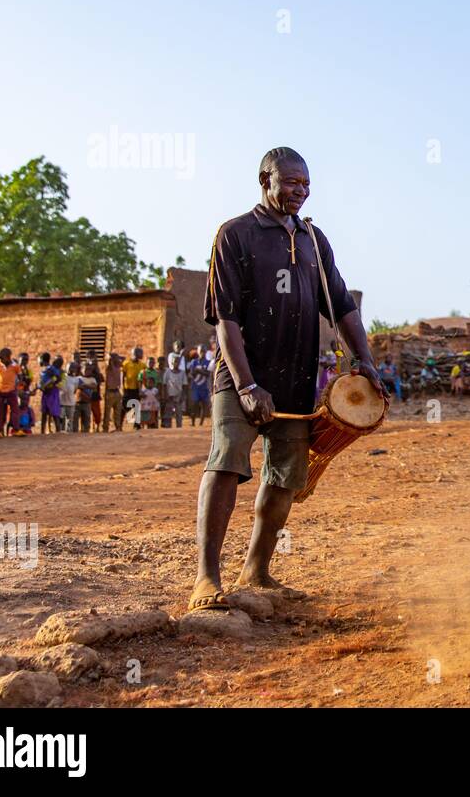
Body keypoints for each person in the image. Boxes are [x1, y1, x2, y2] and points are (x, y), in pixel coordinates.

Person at [190, 146, 386, 613]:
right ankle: (205, 578)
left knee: (284, 477)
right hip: (241, 378)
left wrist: (366, 360)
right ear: (266, 180)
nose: (301, 191)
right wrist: (246, 386)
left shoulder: (315, 240)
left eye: (306, 184)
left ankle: (257, 571)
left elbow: (341, 306)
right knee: (225, 464)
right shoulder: (234, 235)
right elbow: (226, 319)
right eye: (292, 182)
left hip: (298, 381)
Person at [0, 348, 21, 436]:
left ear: (8, 357)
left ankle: (15, 430)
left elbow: (20, 378)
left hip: (11, 391)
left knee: (15, 410)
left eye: (2, 358)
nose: (0, 360)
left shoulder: (15, 366)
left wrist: (17, 387)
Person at [37, 353, 63, 434]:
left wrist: (51, 385)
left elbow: (58, 378)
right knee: (44, 412)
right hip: (45, 393)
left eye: (38, 359)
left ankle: (58, 431)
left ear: (42, 359)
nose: (38, 361)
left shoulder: (51, 369)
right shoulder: (44, 370)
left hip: (52, 393)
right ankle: (42, 432)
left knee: (54, 412)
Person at [122, 347, 147, 430]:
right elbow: (123, 376)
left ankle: (137, 425)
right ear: (135, 354)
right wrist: (122, 387)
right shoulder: (126, 363)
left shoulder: (142, 365)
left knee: (137, 407)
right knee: (124, 407)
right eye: (141, 353)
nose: (142, 355)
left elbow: (144, 377)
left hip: (137, 389)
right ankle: (119, 424)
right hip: (128, 388)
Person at [188, 348, 213, 425]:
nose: (202, 353)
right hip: (195, 386)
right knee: (194, 404)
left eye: (203, 351)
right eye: (200, 351)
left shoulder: (208, 362)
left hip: (204, 387)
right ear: (198, 352)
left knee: (204, 405)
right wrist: (201, 371)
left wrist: (198, 371)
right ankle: (193, 422)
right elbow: (191, 373)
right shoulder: (194, 362)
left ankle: (201, 423)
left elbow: (208, 373)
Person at [163, 353, 187, 428]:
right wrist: (165, 395)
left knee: (179, 413)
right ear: (171, 362)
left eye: (177, 361)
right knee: (168, 413)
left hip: (178, 396)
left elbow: (185, 385)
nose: (176, 363)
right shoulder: (167, 372)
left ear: (179, 363)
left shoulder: (182, 373)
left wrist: (183, 396)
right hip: (169, 395)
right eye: (174, 361)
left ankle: (179, 428)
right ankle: (168, 427)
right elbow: (164, 384)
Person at [104, 353, 125, 431]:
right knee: (107, 413)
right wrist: (112, 357)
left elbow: (124, 358)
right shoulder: (110, 367)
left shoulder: (118, 367)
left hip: (117, 391)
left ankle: (118, 427)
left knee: (118, 412)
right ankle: (105, 428)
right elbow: (109, 360)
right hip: (110, 392)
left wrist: (117, 357)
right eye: (116, 358)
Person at [59, 362, 79, 432]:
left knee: (70, 420)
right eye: (69, 367)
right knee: (61, 418)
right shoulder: (62, 377)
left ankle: (69, 435)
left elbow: (75, 390)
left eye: (73, 368)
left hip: (71, 403)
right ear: (66, 368)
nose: (71, 369)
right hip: (61, 402)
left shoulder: (76, 379)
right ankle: (60, 432)